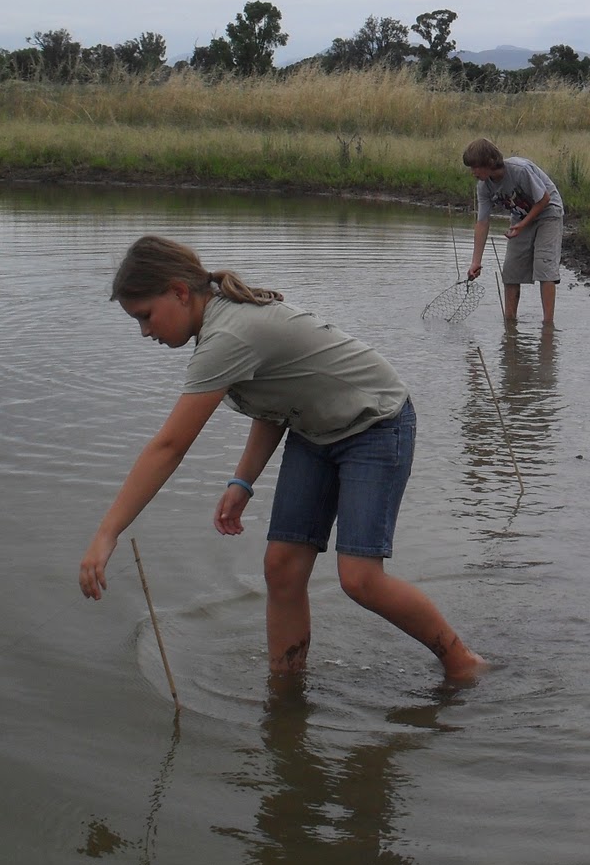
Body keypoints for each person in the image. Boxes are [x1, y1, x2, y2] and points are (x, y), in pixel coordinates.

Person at [78, 236, 484, 684]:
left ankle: (462, 662)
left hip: (375, 423)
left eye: (145, 316)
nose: (145, 332)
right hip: (315, 430)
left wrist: (107, 533)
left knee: (360, 578)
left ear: (178, 292)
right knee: (282, 568)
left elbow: (169, 447)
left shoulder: (227, 334)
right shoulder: (220, 327)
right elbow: (275, 399)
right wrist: (242, 482)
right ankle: (286, 690)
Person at [463, 138, 564, 325]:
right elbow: (482, 222)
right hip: (521, 217)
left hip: (548, 213)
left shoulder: (519, 170)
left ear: (490, 162)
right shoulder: (484, 186)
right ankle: (510, 324)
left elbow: (544, 199)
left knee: (545, 268)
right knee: (510, 271)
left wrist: (523, 224)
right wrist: (476, 262)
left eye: (476, 167)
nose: (473, 172)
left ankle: (548, 326)